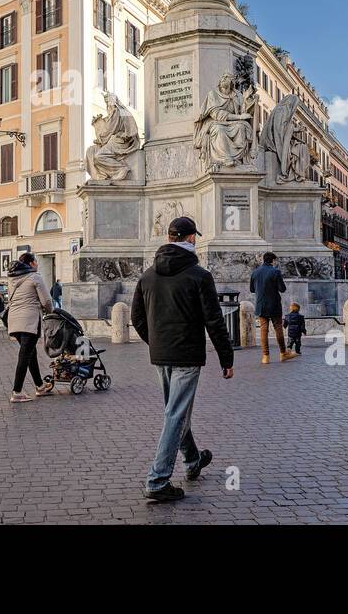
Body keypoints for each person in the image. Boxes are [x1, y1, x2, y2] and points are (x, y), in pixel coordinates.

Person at [131, 216, 234, 503]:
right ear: (190, 239)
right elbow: (214, 321)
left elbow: (136, 318)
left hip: (161, 355)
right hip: (187, 355)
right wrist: (227, 358)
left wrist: (156, 342)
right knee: (175, 414)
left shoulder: (148, 275)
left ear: (168, 238)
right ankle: (158, 479)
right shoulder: (199, 275)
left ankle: (192, 460)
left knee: (176, 411)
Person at [5, 253, 54, 402]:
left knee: (30, 354)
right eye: (36, 262)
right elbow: (46, 300)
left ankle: (40, 386)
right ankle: (17, 391)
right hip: (30, 321)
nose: (37, 264)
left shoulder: (12, 279)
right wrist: (51, 313)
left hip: (14, 322)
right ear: (31, 264)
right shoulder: (35, 277)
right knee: (24, 356)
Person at [249, 252, 296, 365]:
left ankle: (265, 356)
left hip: (261, 305)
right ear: (273, 261)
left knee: (263, 330)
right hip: (274, 304)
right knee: (278, 328)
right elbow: (282, 289)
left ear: (264, 260)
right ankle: (283, 353)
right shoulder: (275, 272)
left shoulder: (255, 272)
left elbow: (252, 289)